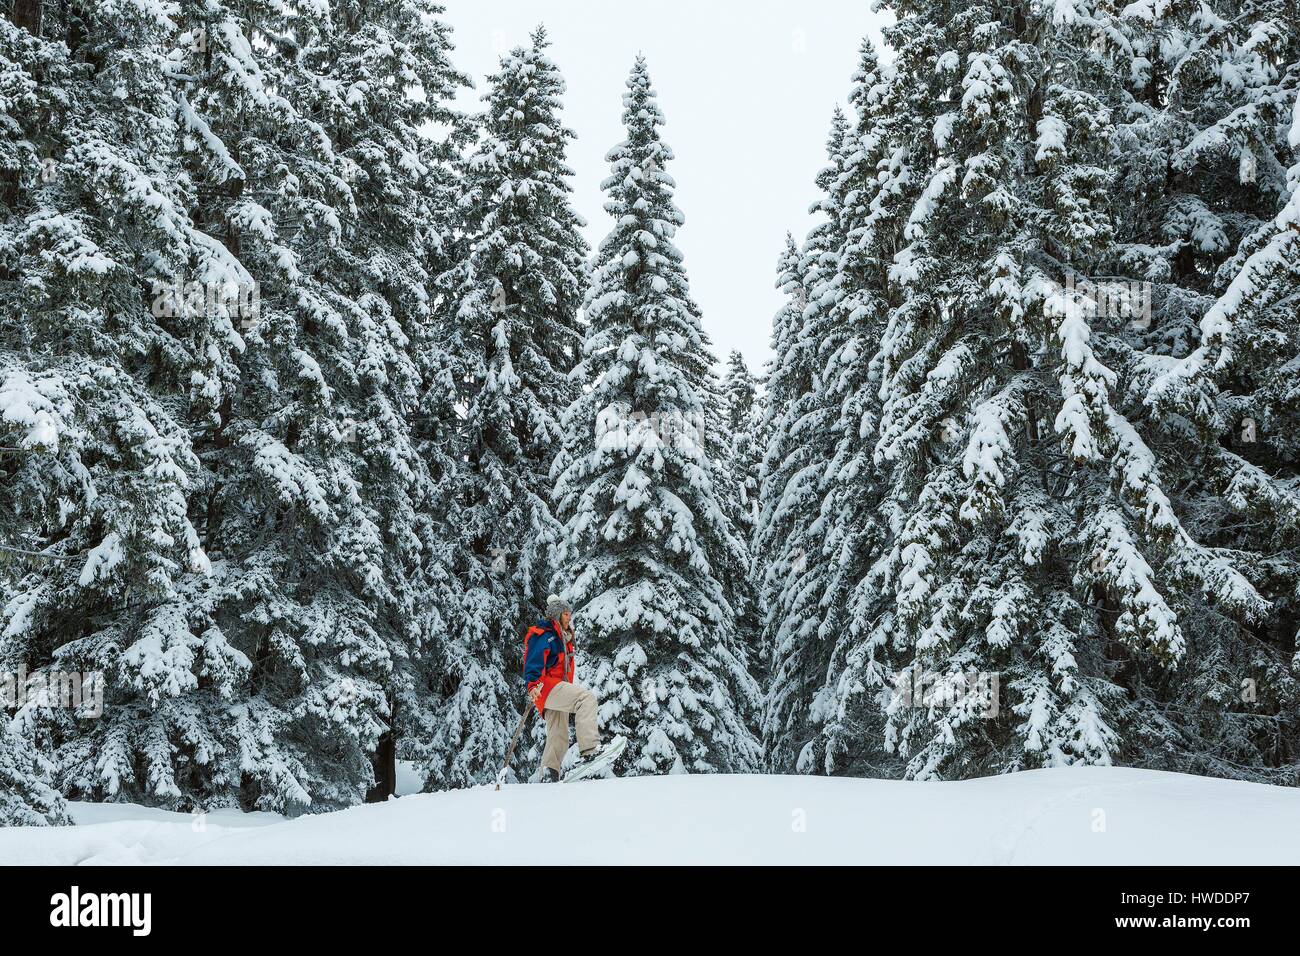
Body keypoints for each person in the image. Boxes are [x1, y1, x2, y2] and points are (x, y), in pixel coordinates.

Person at [523, 595, 618, 782]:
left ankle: (550, 773)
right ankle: (590, 751)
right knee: (586, 699)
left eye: (570, 614)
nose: (569, 617)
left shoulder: (562, 637)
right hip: (546, 687)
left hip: (556, 689)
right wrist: (533, 684)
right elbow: (533, 659)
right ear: (557, 616)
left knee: (559, 735)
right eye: (566, 614)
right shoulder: (544, 634)